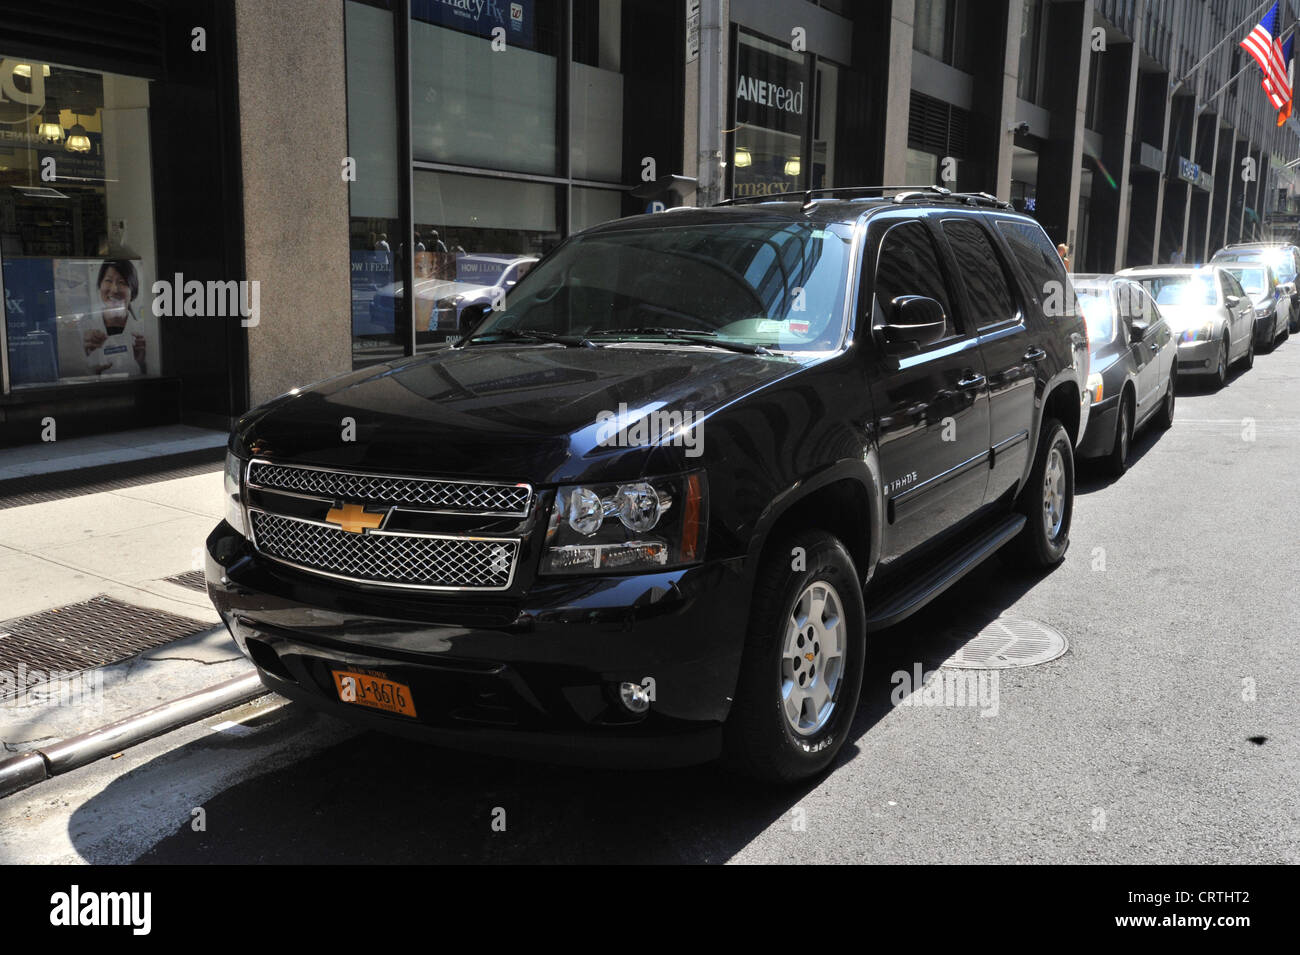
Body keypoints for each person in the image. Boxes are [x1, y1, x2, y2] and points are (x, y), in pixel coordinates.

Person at [80, 259, 147, 376]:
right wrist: (87, 364)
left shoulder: (144, 332)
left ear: (133, 291)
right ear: (100, 286)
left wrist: (141, 363)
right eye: (108, 280)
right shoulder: (84, 328)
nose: (114, 289)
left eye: (122, 282)